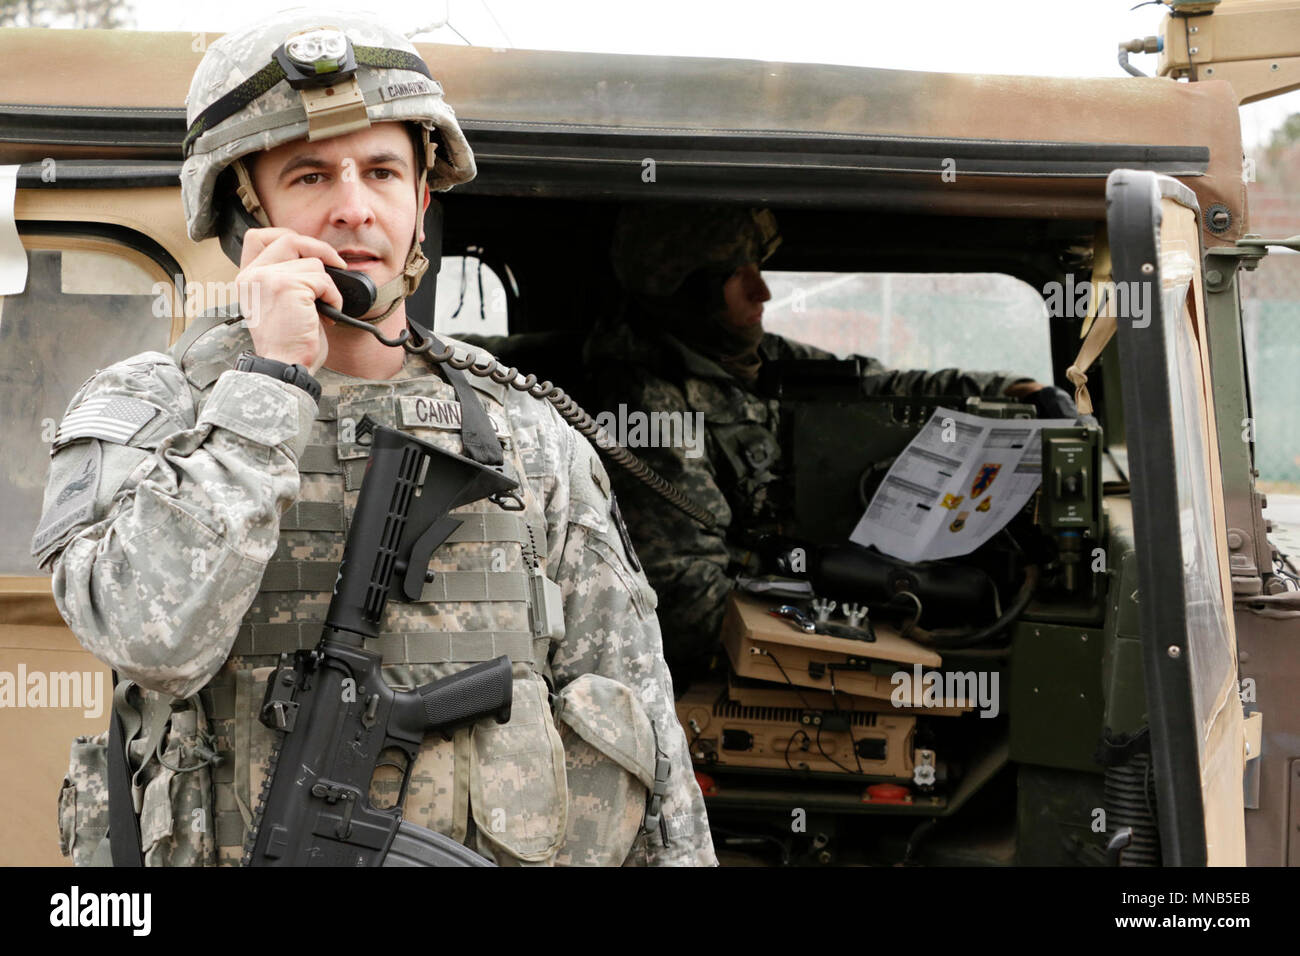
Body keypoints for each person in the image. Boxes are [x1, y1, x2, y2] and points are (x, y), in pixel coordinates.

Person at [32, 11, 713, 867]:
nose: (354, 208)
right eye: (311, 175)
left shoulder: (524, 430)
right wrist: (273, 384)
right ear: (248, 209)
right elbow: (147, 639)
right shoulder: (154, 406)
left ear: (422, 199)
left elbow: (638, 713)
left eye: (383, 171)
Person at [584, 204, 1078, 684]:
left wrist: (1017, 391)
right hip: (750, 656)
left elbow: (879, 391)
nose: (764, 290)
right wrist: (852, 630)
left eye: (758, 267)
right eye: (738, 275)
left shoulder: (760, 360)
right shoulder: (643, 402)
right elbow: (685, 596)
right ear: (687, 293)